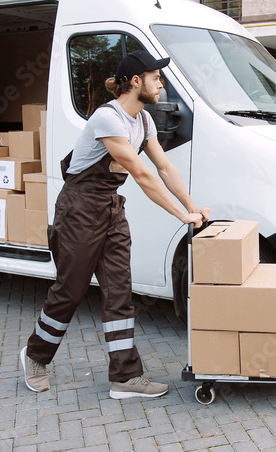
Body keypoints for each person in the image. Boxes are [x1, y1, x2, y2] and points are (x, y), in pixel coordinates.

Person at [20, 50, 209, 399]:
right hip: (78, 210)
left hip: (109, 209)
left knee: (120, 292)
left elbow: (164, 168)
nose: (160, 83)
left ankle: (125, 377)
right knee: (70, 291)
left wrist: (192, 207)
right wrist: (179, 215)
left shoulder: (145, 122)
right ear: (136, 82)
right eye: (156, 77)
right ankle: (35, 356)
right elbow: (141, 173)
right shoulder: (109, 119)